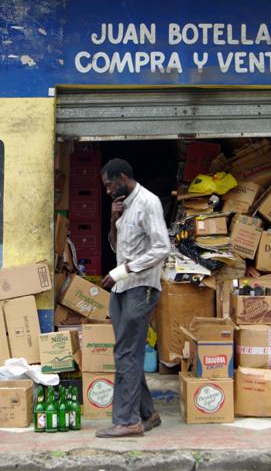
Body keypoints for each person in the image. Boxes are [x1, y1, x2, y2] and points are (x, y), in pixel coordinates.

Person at [95, 158, 170, 438]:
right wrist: (114, 218)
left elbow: (161, 248)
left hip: (141, 286)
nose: (107, 191)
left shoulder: (148, 202)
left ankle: (127, 421)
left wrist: (124, 270)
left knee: (126, 351)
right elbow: (117, 245)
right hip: (122, 288)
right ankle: (148, 414)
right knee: (128, 350)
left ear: (124, 177)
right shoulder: (123, 205)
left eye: (109, 185)